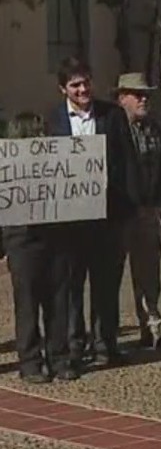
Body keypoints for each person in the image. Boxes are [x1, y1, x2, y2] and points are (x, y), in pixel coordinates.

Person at [45, 57, 138, 367]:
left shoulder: (113, 116)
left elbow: (127, 161)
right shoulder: (53, 120)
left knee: (106, 283)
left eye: (86, 82)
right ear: (63, 89)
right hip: (70, 221)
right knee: (72, 284)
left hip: (108, 215)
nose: (83, 89)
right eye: (75, 85)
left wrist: (128, 207)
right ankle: (75, 344)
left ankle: (105, 343)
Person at [4, 119, 75, 383]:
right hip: (22, 241)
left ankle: (59, 357)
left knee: (58, 300)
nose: (43, 135)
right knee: (28, 303)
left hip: (55, 237)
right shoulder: (7, 167)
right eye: (37, 132)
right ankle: (30, 361)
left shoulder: (52, 164)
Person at [114, 73, 161, 350]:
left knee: (149, 272)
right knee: (111, 273)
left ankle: (151, 326)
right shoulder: (112, 126)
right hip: (118, 212)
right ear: (122, 97)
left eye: (146, 94)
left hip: (148, 210)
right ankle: (108, 333)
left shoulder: (154, 129)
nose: (143, 99)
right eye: (137, 95)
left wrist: (159, 200)